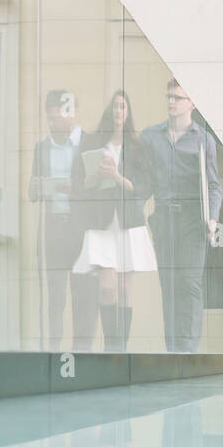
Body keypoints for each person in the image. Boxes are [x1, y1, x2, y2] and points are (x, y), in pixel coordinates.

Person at [71, 90, 155, 352]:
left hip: (128, 221)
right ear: (109, 111)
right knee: (107, 287)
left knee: (124, 288)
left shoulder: (138, 146)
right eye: (115, 107)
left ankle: (120, 349)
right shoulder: (92, 145)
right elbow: (80, 185)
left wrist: (117, 176)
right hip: (102, 222)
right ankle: (110, 346)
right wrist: (97, 175)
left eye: (123, 107)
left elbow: (144, 187)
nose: (118, 112)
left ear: (128, 112)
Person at [143, 79, 223, 353]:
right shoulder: (150, 136)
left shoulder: (203, 139)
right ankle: (172, 350)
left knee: (189, 284)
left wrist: (212, 219)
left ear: (191, 103)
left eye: (177, 98)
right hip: (164, 218)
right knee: (170, 286)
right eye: (169, 97)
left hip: (193, 219)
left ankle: (188, 351)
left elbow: (214, 185)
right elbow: (141, 179)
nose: (171, 102)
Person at [29, 90, 97, 351]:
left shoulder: (90, 144)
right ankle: (52, 354)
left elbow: (99, 189)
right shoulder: (41, 147)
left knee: (85, 300)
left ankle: (83, 356)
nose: (51, 123)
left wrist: (73, 188)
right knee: (53, 301)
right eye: (49, 118)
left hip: (81, 232)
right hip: (52, 232)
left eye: (56, 117)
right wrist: (37, 187)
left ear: (70, 113)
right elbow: (31, 193)